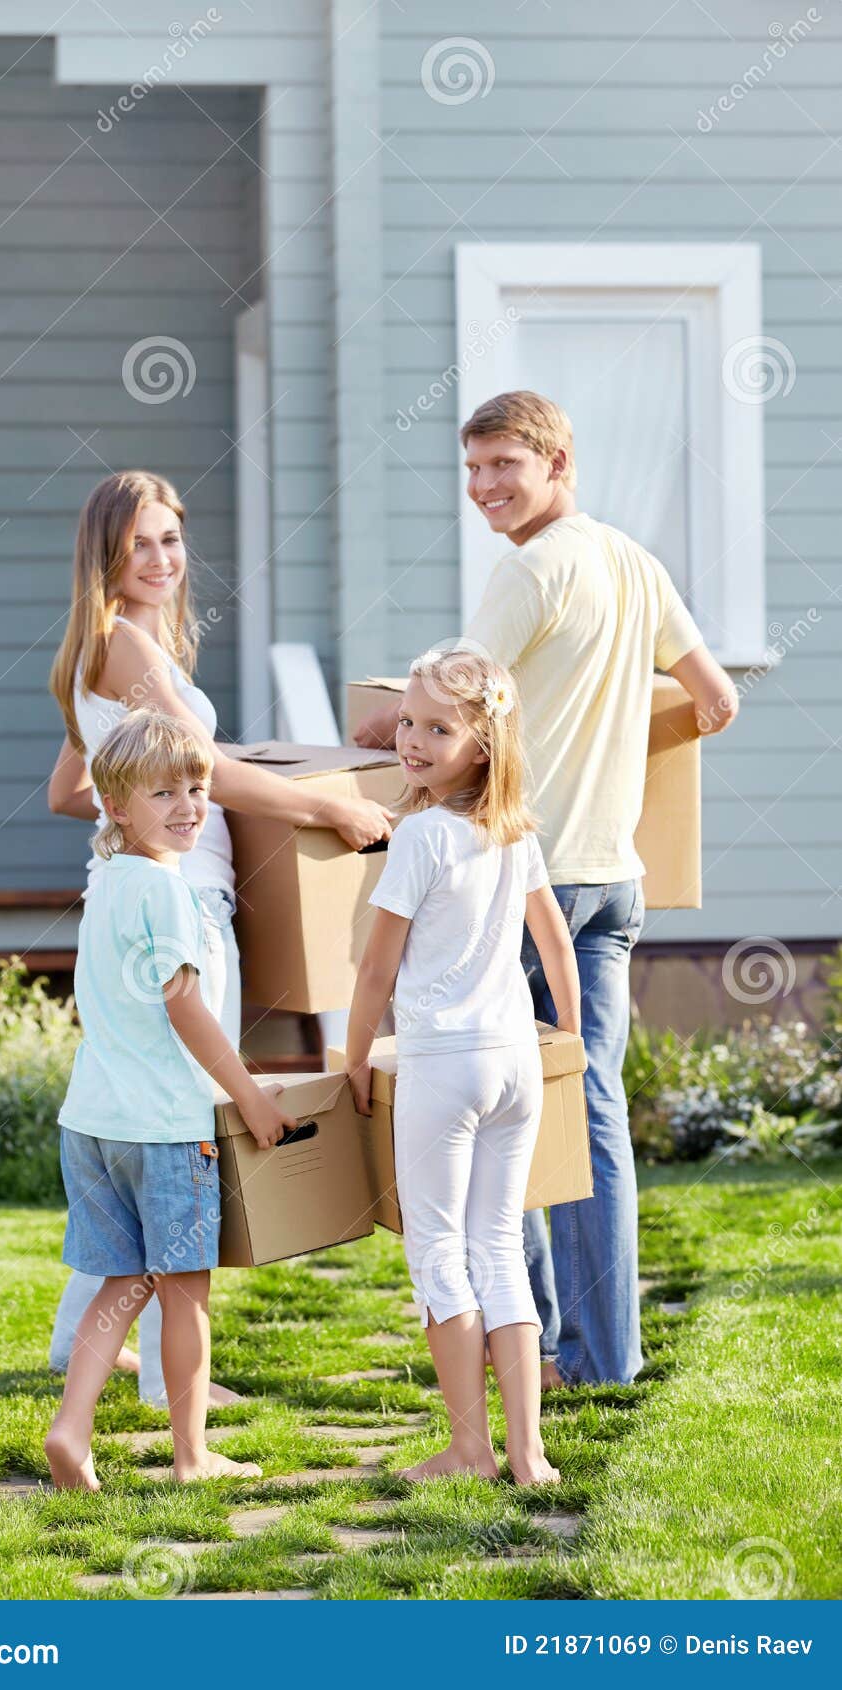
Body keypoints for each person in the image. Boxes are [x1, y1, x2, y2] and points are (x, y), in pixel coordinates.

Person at [354, 391, 739, 1385]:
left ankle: (530, 1341)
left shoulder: (530, 570)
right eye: (472, 468)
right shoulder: (634, 564)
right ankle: (601, 1355)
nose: (483, 486)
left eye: (503, 467)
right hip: (613, 877)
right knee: (588, 1103)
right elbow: (714, 701)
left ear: (556, 462)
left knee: (509, 1111)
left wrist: (380, 726)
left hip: (529, 880)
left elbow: (449, 701)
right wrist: (604, 734)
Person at [46, 470, 393, 1406]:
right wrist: (325, 805)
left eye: (171, 538)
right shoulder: (127, 645)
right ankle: (172, 1383)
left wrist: (128, 802)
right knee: (182, 1119)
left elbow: (68, 791)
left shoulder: (105, 646)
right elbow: (206, 768)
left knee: (149, 1107)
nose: (161, 558)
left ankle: (79, 1340)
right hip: (181, 900)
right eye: (140, 543)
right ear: (107, 553)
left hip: (128, 894)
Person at [45, 708, 298, 1490]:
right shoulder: (166, 891)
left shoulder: (109, 885)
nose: (189, 806)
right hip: (163, 1129)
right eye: (164, 793)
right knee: (185, 1294)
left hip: (94, 1123)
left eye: (196, 788)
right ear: (116, 806)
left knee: (121, 1283)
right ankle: (193, 1457)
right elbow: (184, 1007)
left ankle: (71, 1429)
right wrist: (249, 1096)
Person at [345, 648, 580, 1484]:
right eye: (407, 721)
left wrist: (352, 1057)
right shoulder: (513, 831)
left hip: (444, 1068)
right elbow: (554, 941)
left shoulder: (420, 837)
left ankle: (469, 1450)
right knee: (499, 1248)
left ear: (482, 746)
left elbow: (376, 967)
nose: (410, 740)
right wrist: (569, 1036)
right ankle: (530, 1454)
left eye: (436, 730)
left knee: (440, 1254)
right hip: (515, 1063)